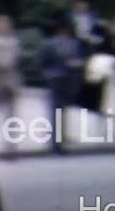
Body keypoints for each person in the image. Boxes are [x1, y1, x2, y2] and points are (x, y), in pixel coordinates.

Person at [37, 16, 85, 154]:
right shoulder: (51, 44)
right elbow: (42, 61)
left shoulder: (73, 43)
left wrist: (78, 64)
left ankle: (59, 141)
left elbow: (80, 58)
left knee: (61, 110)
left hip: (69, 79)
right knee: (57, 110)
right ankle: (56, 143)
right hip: (57, 78)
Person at [0, 15, 22, 156]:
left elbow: (14, 61)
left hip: (10, 81)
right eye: (1, 24)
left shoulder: (14, 42)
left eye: (6, 24)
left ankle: (10, 147)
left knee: (11, 115)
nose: (3, 26)